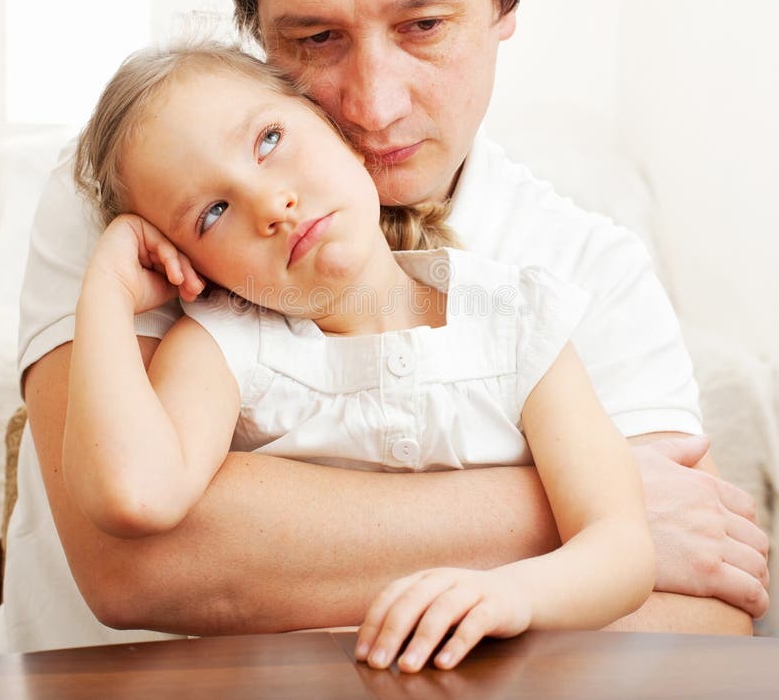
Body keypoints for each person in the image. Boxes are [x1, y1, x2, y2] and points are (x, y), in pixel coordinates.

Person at [0, 0, 768, 656]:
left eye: (424, 24)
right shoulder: (139, 194)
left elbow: (701, 606)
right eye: (316, 39)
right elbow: (133, 562)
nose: (374, 104)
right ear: (257, 37)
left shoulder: (581, 274)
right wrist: (583, 510)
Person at [63, 41, 655, 672]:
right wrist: (106, 293)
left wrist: (512, 595)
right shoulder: (223, 347)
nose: (270, 205)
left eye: (268, 140)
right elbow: (136, 495)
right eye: (212, 213)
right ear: (192, 266)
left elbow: (622, 548)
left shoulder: (513, 320)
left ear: (332, 125)